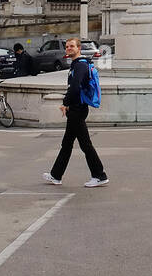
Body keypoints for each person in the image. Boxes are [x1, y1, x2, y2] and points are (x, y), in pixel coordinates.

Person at [42, 38, 109, 188]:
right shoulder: (78, 64)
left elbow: (75, 87)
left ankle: (99, 175)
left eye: (72, 46)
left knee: (85, 144)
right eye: (67, 47)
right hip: (77, 108)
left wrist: (65, 103)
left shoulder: (80, 65)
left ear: (79, 48)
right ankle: (56, 175)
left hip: (77, 109)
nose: (69, 49)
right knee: (67, 144)